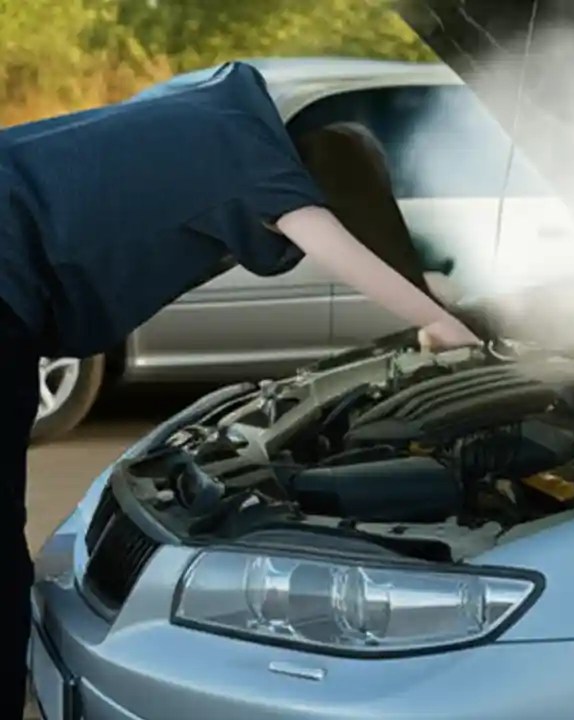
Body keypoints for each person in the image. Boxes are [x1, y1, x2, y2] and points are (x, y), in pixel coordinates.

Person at [1, 61, 479, 716]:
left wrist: (434, 300)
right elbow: (340, 246)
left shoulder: (226, 102)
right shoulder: (260, 168)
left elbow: (372, 246)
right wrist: (448, 330)